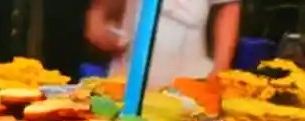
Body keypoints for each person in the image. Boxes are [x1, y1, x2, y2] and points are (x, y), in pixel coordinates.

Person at [86, 0, 241, 89]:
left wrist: (220, 68)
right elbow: (103, 8)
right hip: (128, 75)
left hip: (189, 76)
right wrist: (98, 19)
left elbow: (228, 9)